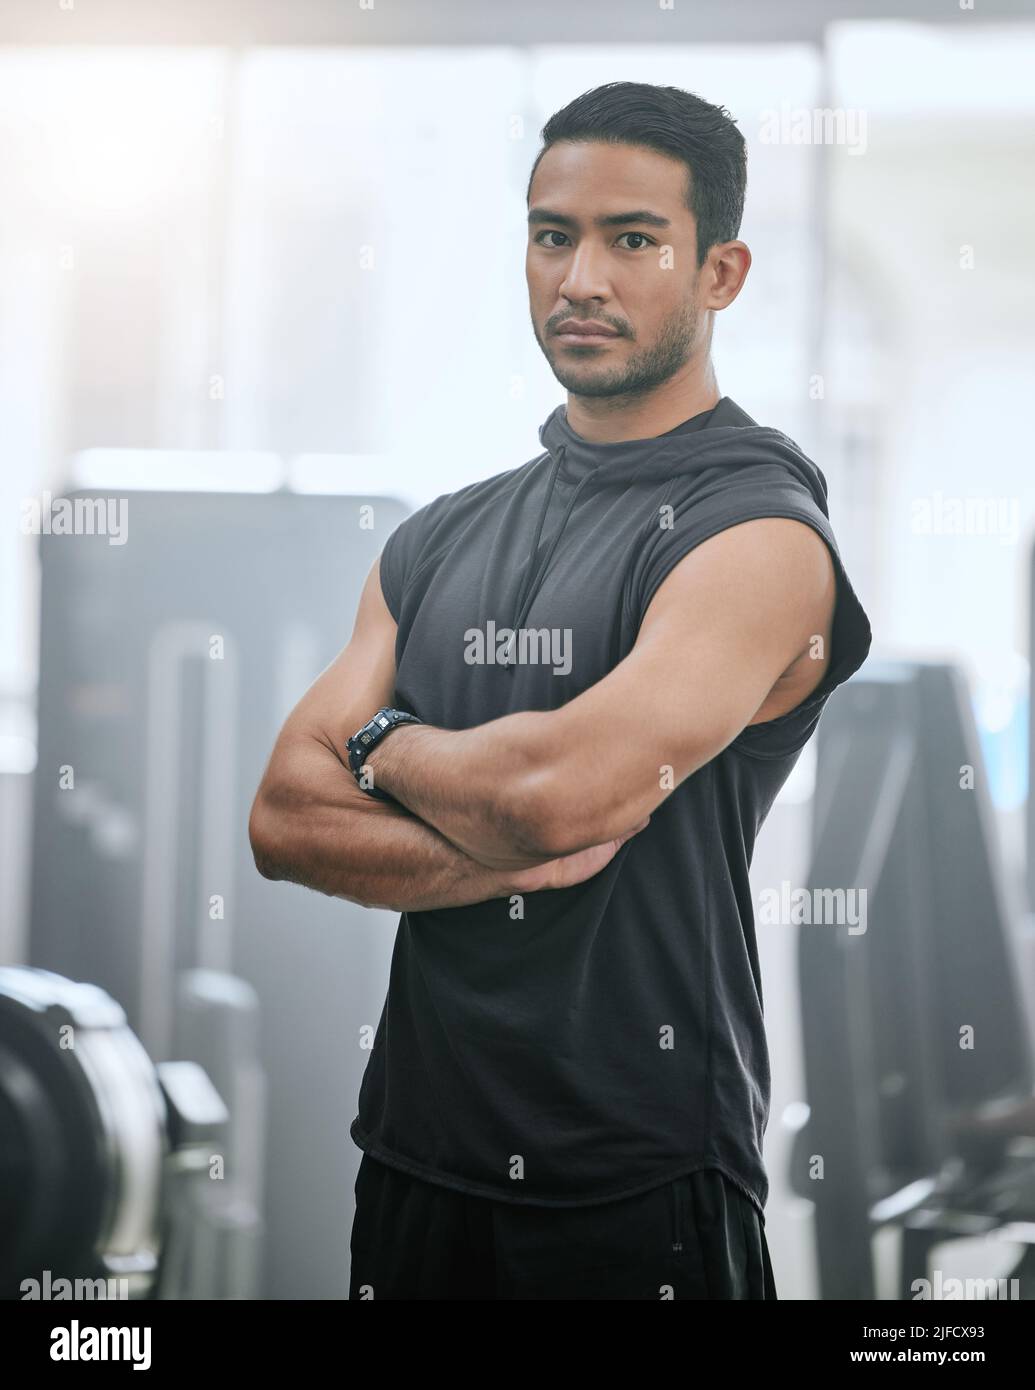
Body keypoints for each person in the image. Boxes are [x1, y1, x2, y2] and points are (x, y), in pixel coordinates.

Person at [249, 80, 872, 1300]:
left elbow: (554, 793)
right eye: (553, 235)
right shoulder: (441, 535)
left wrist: (374, 742)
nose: (580, 277)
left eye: (633, 239)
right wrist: (498, 849)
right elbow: (282, 818)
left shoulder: (759, 536)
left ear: (721, 273)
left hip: (634, 1180)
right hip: (418, 1159)